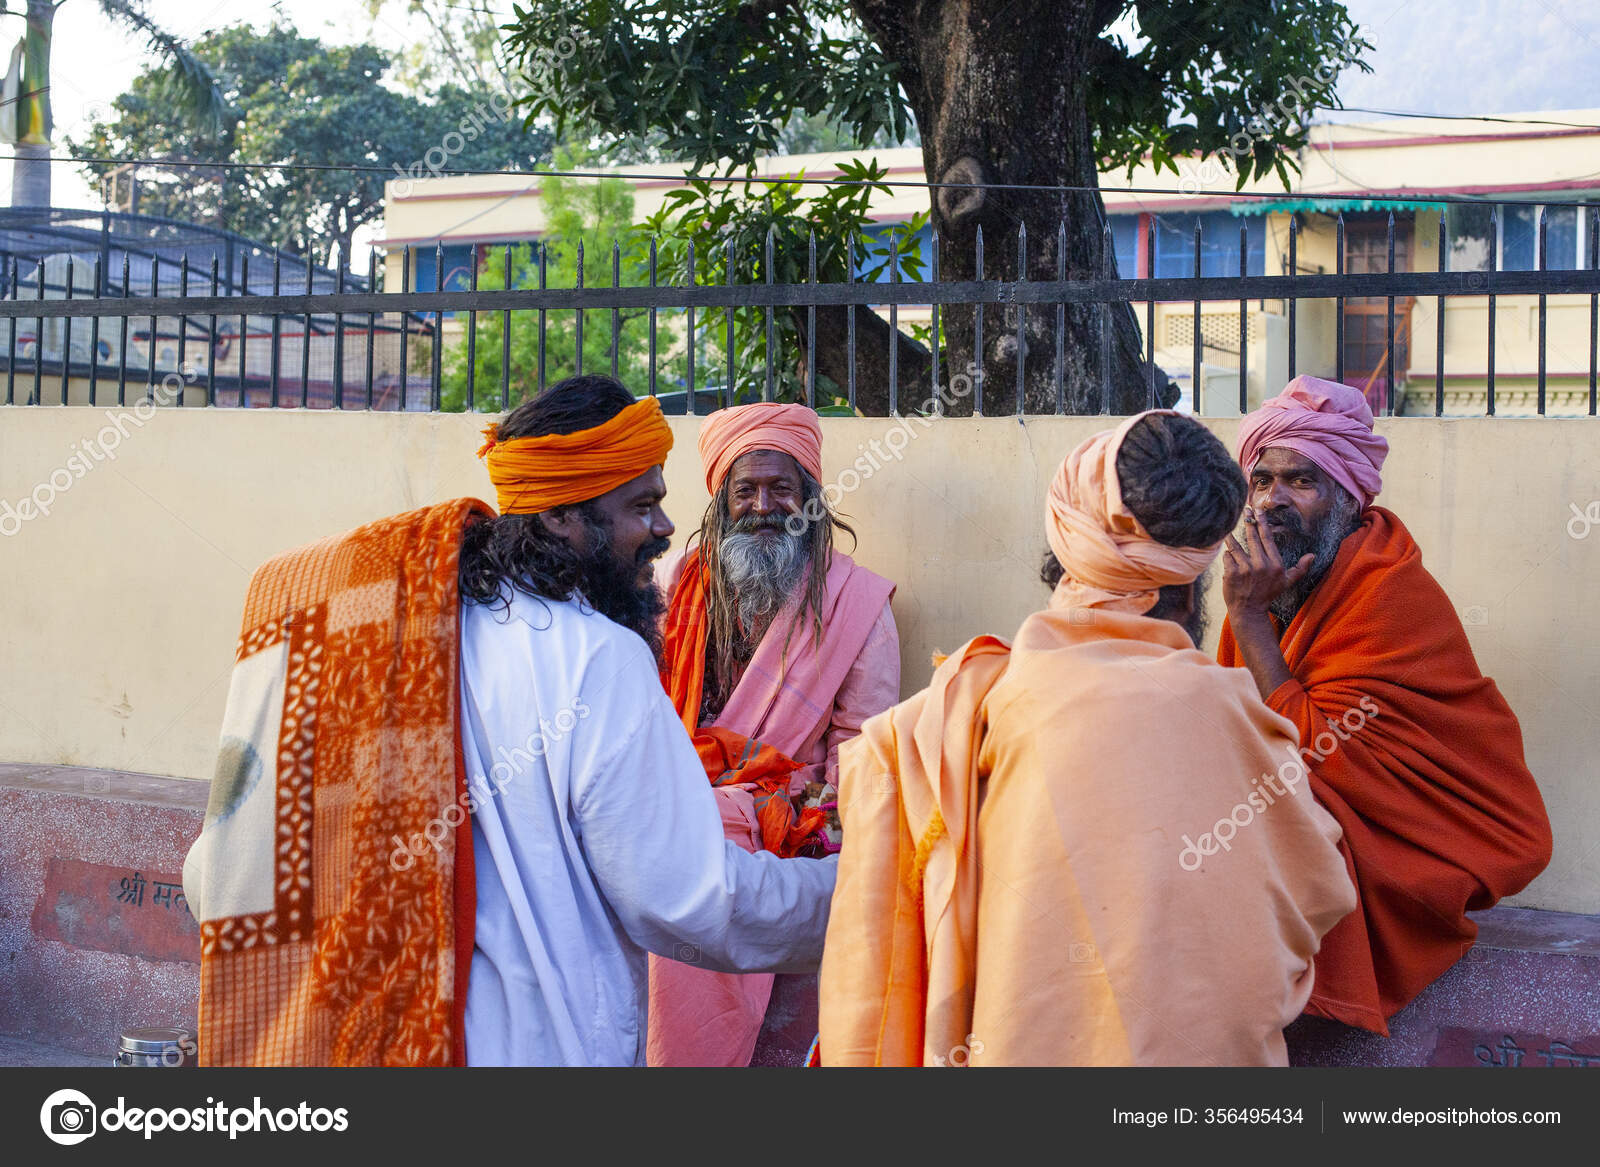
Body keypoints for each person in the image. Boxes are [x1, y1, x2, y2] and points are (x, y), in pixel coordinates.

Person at [183, 375, 837, 1067]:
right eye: (642, 505)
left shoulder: (388, 633)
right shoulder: (596, 655)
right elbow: (687, 896)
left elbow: (214, 869)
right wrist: (853, 891)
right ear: (561, 516)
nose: (664, 529)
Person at [818, 410, 1356, 1066]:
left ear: (1065, 551)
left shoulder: (969, 713)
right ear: (1189, 592)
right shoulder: (1232, 713)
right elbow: (1316, 891)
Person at [1218, 375, 1552, 1035]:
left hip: (1409, 844)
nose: (1273, 501)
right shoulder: (1260, 584)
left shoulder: (1389, 591)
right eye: (1262, 481)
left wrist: (1251, 624)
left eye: (1301, 481)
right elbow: (1236, 729)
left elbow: (1317, 754)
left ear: (1346, 496)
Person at [649, 401, 898, 1066]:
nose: (763, 505)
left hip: (792, 826)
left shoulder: (857, 603)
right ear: (721, 501)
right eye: (746, 490)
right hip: (684, 812)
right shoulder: (678, 583)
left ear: (809, 497)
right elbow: (647, 709)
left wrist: (825, 824)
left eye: (781, 488)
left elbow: (861, 748)